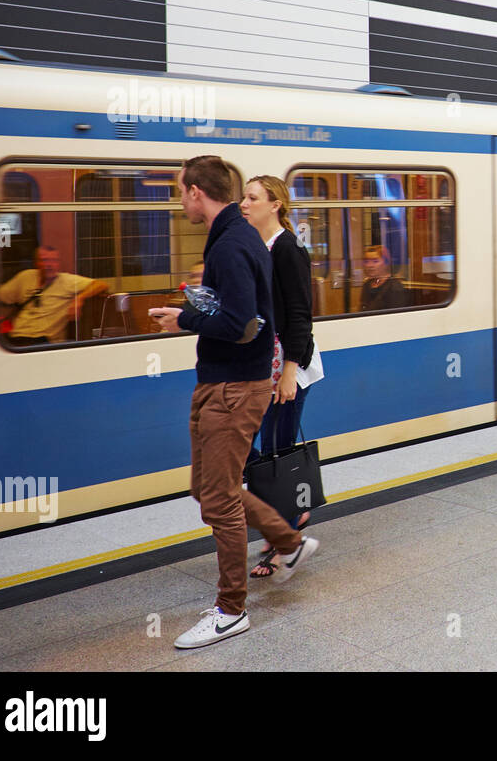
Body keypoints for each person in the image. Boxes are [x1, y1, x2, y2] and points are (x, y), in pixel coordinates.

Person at [148, 156, 318, 650]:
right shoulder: (232, 238)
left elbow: (246, 326)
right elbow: (242, 310)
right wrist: (194, 305)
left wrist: (183, 321)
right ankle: (288, 541)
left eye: (182, 191)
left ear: (198, 192)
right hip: (221, 380)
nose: (181, 200)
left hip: (234, 387)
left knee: (219, 497)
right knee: (207, 488)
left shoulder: (230, 242)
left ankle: (231, 610)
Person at [240, 175, 324, 578]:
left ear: (275, 204)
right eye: (244, 196)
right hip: (264, 366)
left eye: (252, 197)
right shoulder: (259, 247)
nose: (244, 203)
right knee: (265, 452)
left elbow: (299, 313)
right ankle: (285, 525)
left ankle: (285, 540)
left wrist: (290, 370)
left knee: (279, 453)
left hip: (288, 366)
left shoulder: (289, 248)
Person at [0, 245, 107, 345]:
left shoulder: (66, 281)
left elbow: (101, 285)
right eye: (44, 260)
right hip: (16, 336)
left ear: (58, 263)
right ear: (36, 263)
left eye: (54, 260)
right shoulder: (26, 277)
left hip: (44, 339)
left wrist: (80, 298)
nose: (49, 265)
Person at [360, 245, 407, 310]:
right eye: (366, 261)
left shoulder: (394, 286)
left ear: (386, 263)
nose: (370, 265)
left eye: (375, 261)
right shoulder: (367, 284)